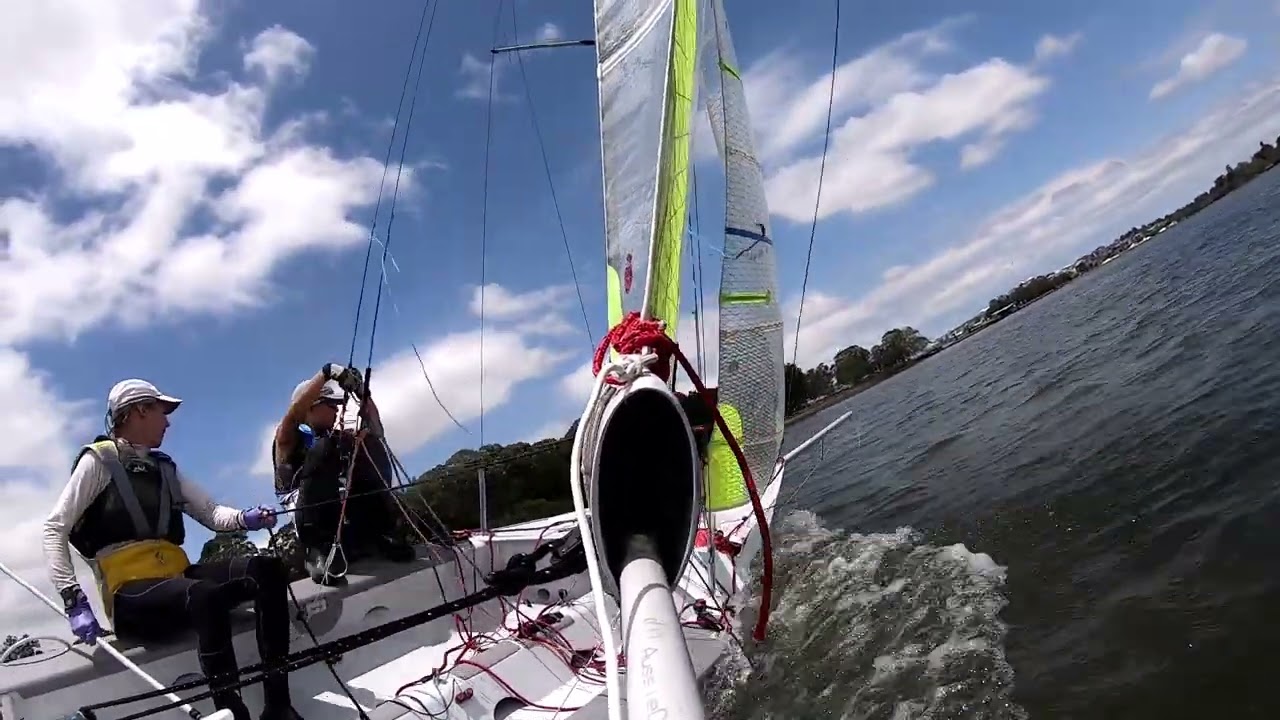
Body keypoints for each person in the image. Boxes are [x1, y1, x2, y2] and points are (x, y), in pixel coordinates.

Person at [42, 379, 300, 720]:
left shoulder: (164, 468)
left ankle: (278, 706)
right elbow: (54, 527)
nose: (168, 421)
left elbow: (209, 513)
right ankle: (232, 712)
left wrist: (245, 518)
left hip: (176, 576)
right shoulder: (99, 461)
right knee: (205, 596)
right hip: (130, 594)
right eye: (162, 412)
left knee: (267, 570)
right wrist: (73, 598)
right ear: (138, 411)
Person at [272, 363, 415, 587]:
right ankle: (317, 553)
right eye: (331, 405)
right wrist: (327, 373)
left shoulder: (339, 437)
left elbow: (377, 428)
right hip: (319, 530)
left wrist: (360, 391)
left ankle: (380, 535)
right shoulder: (287, 440)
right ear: (311, 407)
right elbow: (293, 416)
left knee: (370, 442)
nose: (338, 410)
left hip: (348, 526)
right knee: (324, 448)